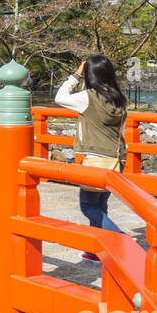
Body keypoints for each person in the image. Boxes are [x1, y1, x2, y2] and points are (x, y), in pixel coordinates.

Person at [55, 55, 128, 262]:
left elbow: (60, 97)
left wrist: (76, 75)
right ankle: (96, 250)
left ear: (90, 75)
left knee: (88, 206)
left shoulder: (87, 97)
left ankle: (120, 240)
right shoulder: (120, 99)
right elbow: (121, 131)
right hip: (116, 159)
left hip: (94, 159)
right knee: (100, 205)